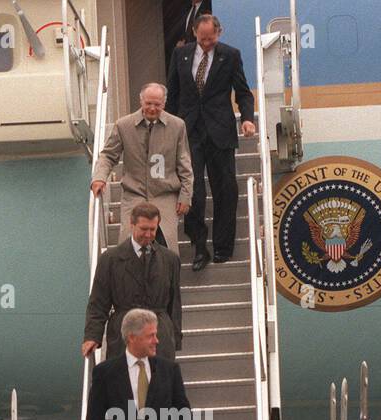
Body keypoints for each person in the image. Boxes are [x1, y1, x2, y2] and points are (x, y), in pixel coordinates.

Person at [166, 14, 255, 271]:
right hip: (188, 130)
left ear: (219, 33)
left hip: (220, 130)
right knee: (192, 191)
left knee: (224, 189)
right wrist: (169, 128)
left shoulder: (231, 55)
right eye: (203, 39)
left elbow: (243, 92)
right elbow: (173, 93)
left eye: (211, 39)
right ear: (194, 32)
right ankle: (199, 246)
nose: (206, 44)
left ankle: (223, 247)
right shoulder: (180, 55)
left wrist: (247, 119)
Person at [91, 83, 193, 252]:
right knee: (127, 245)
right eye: (148, 103)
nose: (152, 108)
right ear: (141, 101)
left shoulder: (177, 126)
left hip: (165, 195)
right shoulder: (123, 125)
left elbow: (185, 165)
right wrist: (99, 177)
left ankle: (167, 278)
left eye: (157, 104)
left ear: (164, 104)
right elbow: (108, 155)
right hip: (134, 194)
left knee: (166, 248)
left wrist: (185, 196)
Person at [83, 203, 183, 361]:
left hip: (159, 336)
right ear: (132, 224)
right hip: (124, 334)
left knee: (160, 384)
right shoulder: (110, 259)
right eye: (144, 229)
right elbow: (98, 302)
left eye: (153, 229)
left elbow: (175, 303)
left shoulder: (170, 259)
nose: (148, 234)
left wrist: (175, 337)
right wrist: (92, 336)